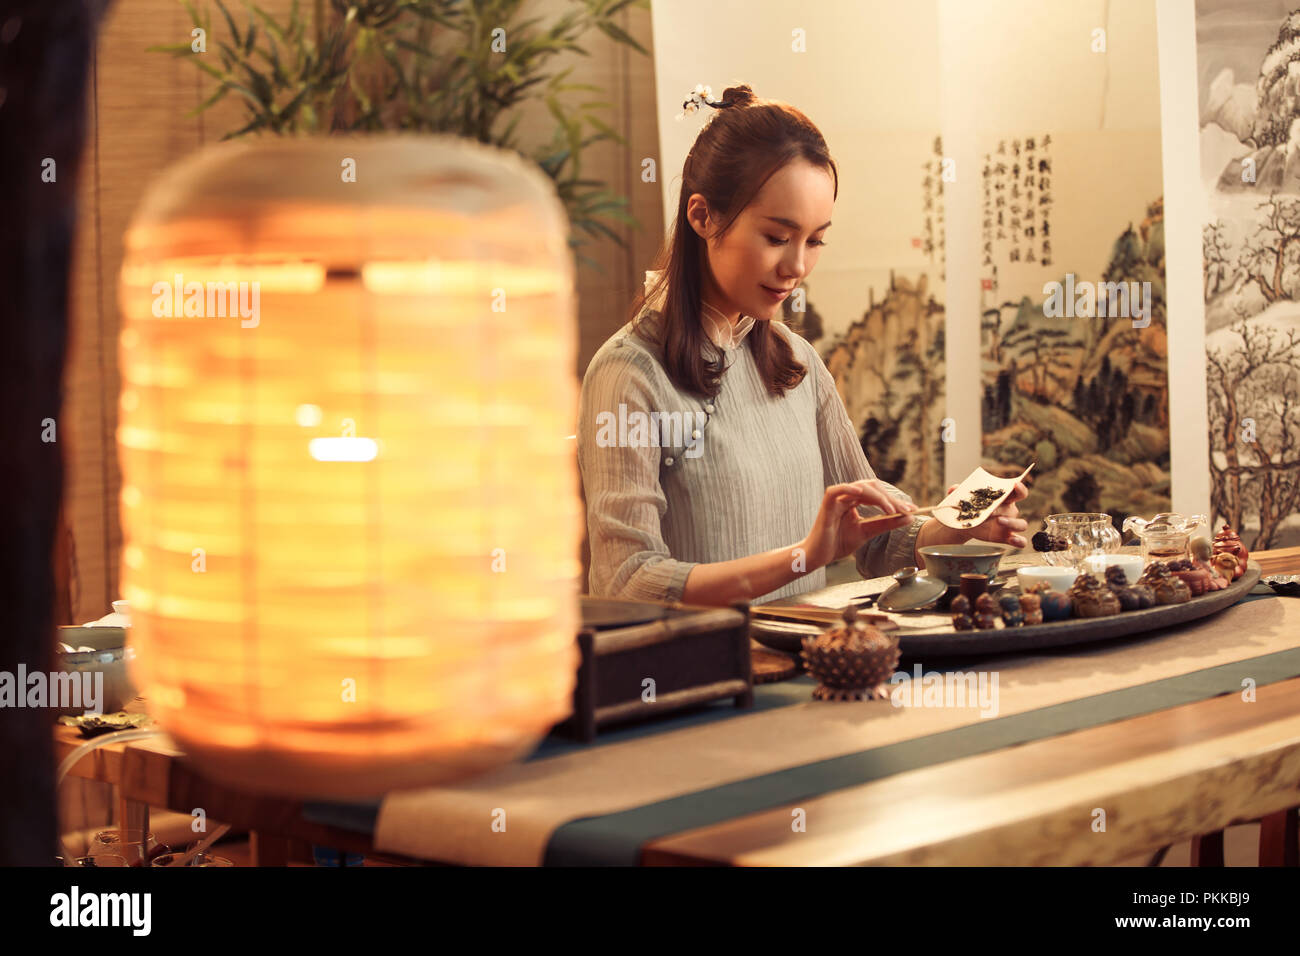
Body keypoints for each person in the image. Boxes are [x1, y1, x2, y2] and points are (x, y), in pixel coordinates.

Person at [578, 83, 1026, 607]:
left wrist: (955, 528)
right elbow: (627, 583)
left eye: (814, 241)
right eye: (776, 237)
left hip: (813, 665)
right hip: (703, 676)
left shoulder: (795, 361)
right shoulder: (628, 374)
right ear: (703, 217)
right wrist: (805, 556)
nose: (796, 268)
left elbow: (877, 537)